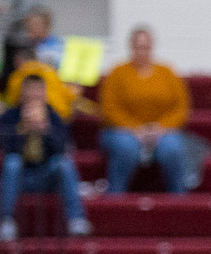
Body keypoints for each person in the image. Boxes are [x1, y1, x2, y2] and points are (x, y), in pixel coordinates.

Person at [97, 26, 194, 194]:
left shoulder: (167, 72)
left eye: (146, 47)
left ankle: (179, 200)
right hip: (123, 131)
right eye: (138, 47)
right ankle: (115, 197)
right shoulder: (117, 73)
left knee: (172, 148)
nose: (142, 51)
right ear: (131, 47)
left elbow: (180, 107)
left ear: (152, 47)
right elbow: (109, 108)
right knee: (126, 147)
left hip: (162, 131)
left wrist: (161, 127)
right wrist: (135, 128)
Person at [0, 74, 88, 240]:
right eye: (30, 91)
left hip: (47, 176)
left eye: (38, 91)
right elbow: (7, 148)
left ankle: (77, 219)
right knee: (12, 163)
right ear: (22, 93)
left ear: (45, 94)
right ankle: (6, 221)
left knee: (64, 163)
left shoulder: (54, 117)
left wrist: (45, 129)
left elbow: (63, 148)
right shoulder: (10, 117)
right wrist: (24, 129)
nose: (34, 95)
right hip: (21, 177)